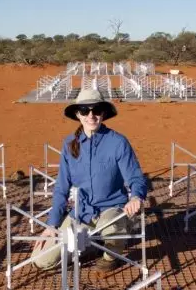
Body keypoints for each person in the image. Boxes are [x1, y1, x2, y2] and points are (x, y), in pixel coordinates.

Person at [32, 89, 146, 272]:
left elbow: (135, 177)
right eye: (85, 110)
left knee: (112, 231)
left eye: (96, 110)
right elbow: (62, 186)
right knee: (42, 260)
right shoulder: (70, 144)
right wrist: (52, 224)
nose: (91, 116)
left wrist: (135, 197)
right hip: (82, 211)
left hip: (111, 207)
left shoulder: (118, 142)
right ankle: (92, 245)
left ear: (104, 113)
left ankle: (111, 254)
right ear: (78, 114)